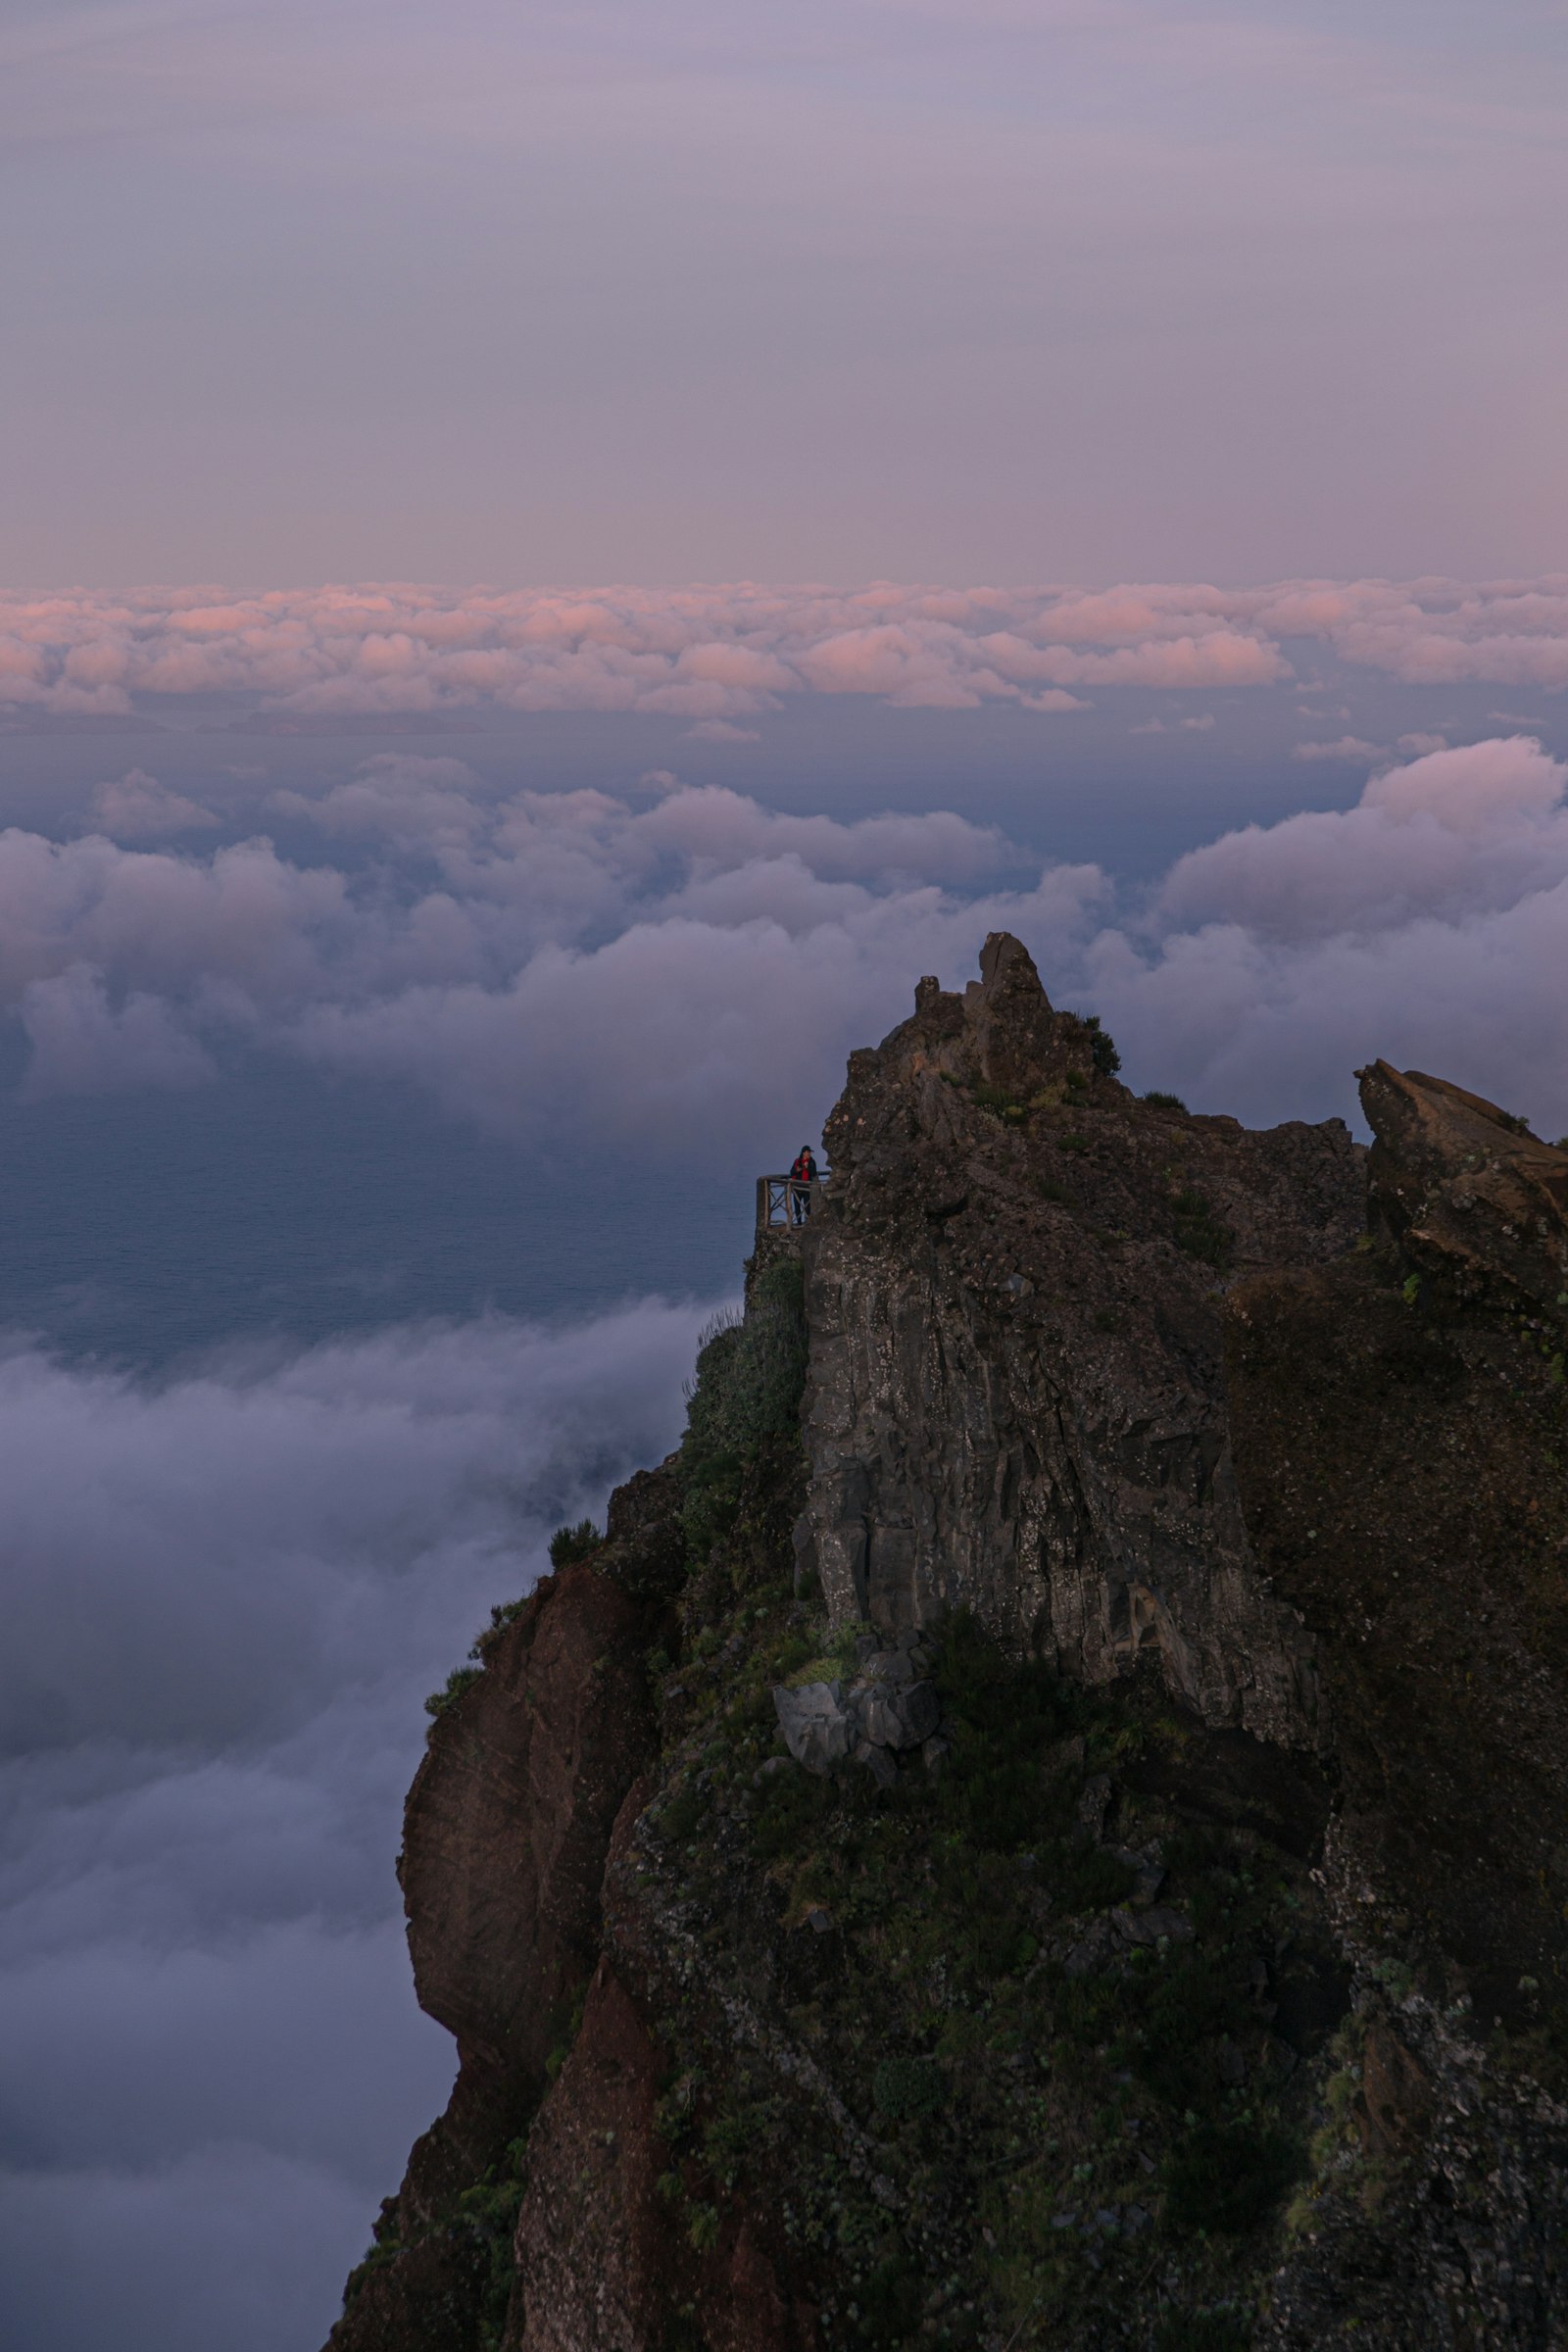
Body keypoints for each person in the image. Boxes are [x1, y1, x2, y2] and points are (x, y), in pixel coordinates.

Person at [789, 1144, 818, 1222]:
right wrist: (796, 1170)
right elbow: (791, 1173)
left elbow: (813, 1173)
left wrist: (807, 1167)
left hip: (806, 1188)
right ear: (803, 1153)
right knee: (797, 1206)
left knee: (807, 1206)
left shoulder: (812, 1162)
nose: (809, 1154)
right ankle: (798, 1223)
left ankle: (807, 1223)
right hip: (797, 1187)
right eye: (808, 1152)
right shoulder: (797, 1161)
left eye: (810, 1152)